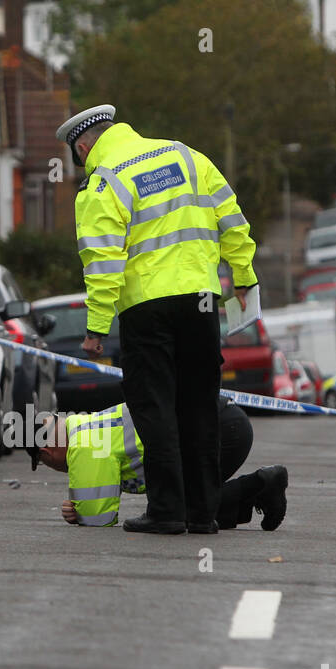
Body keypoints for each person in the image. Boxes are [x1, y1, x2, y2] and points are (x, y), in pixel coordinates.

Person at [56, 104, 258, 535]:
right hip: (201, 302)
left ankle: (167, 511)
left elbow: (102, 259)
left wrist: (96, 327)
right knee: (200, 406)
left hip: (146, 309)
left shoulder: (103, 181)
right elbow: (233, 221)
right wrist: (244, 277)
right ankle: (202, 514)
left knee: (155, 409)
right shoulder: (187, 156)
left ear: (85, 145)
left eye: (80, 157)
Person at [25, 397, 289, 532]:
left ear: (46, 452)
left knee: (178, 512)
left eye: (42, 462)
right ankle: (262, 488)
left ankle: (260, 484)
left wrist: (78, 511)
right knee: (181, 506)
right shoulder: (86, 424)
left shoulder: (84, 445)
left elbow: (97, 517)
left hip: (220, 430)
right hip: (225, 421)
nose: (51, 467)